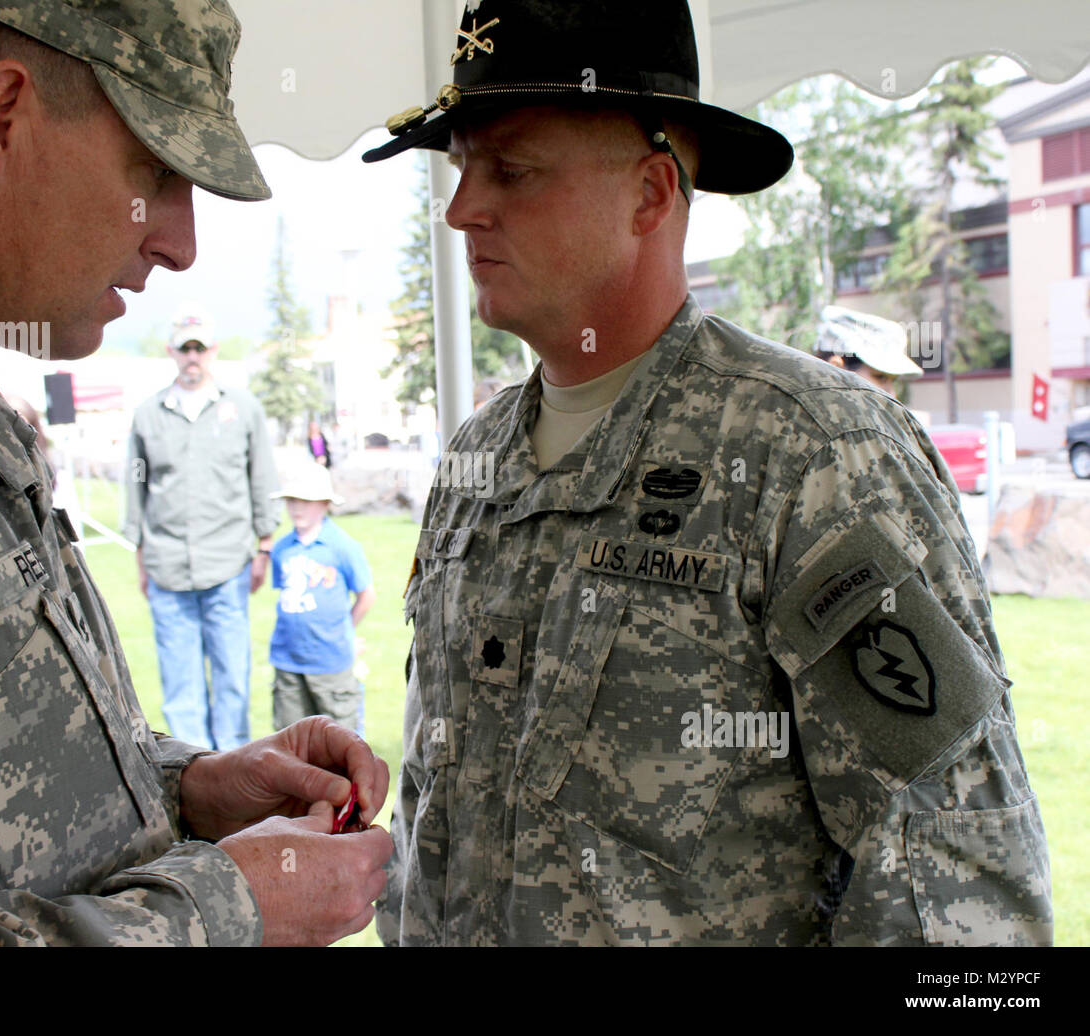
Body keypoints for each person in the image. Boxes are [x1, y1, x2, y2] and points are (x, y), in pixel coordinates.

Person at [362, 0, 1052, 946]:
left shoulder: (812, 452)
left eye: (510, 170)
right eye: (461, 168)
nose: (461, 209)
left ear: (651, 194)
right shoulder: (476, 461)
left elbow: (960, 893)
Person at [0, 0, 392, 946]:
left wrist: (185, 788)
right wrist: (221, 908)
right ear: (2, 117)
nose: (180, 243)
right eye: (156, 173)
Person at [125, 305, 279, 752]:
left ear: (212, 351)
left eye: (200, 348)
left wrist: (264, 545)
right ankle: (193, 773)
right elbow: (136, 486)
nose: (192, 356)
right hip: (167, 566)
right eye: (184, 348)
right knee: (179, 683)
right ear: (171, 351)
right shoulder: (148, 413)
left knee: (232, 675)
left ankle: (235, 766)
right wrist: (140, 557)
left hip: (227, 563)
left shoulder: (243, 408)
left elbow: (261, 477)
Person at [268, 465, 375, 736]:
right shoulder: (281, 549)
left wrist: (344, 632)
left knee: (340, 739)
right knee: (290, 740)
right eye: (292, 501)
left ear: (325, 504)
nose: (297, 508)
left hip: (331, 662)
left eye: (306, 501)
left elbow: (366, 595)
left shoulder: (342, 546)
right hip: (288, 659)